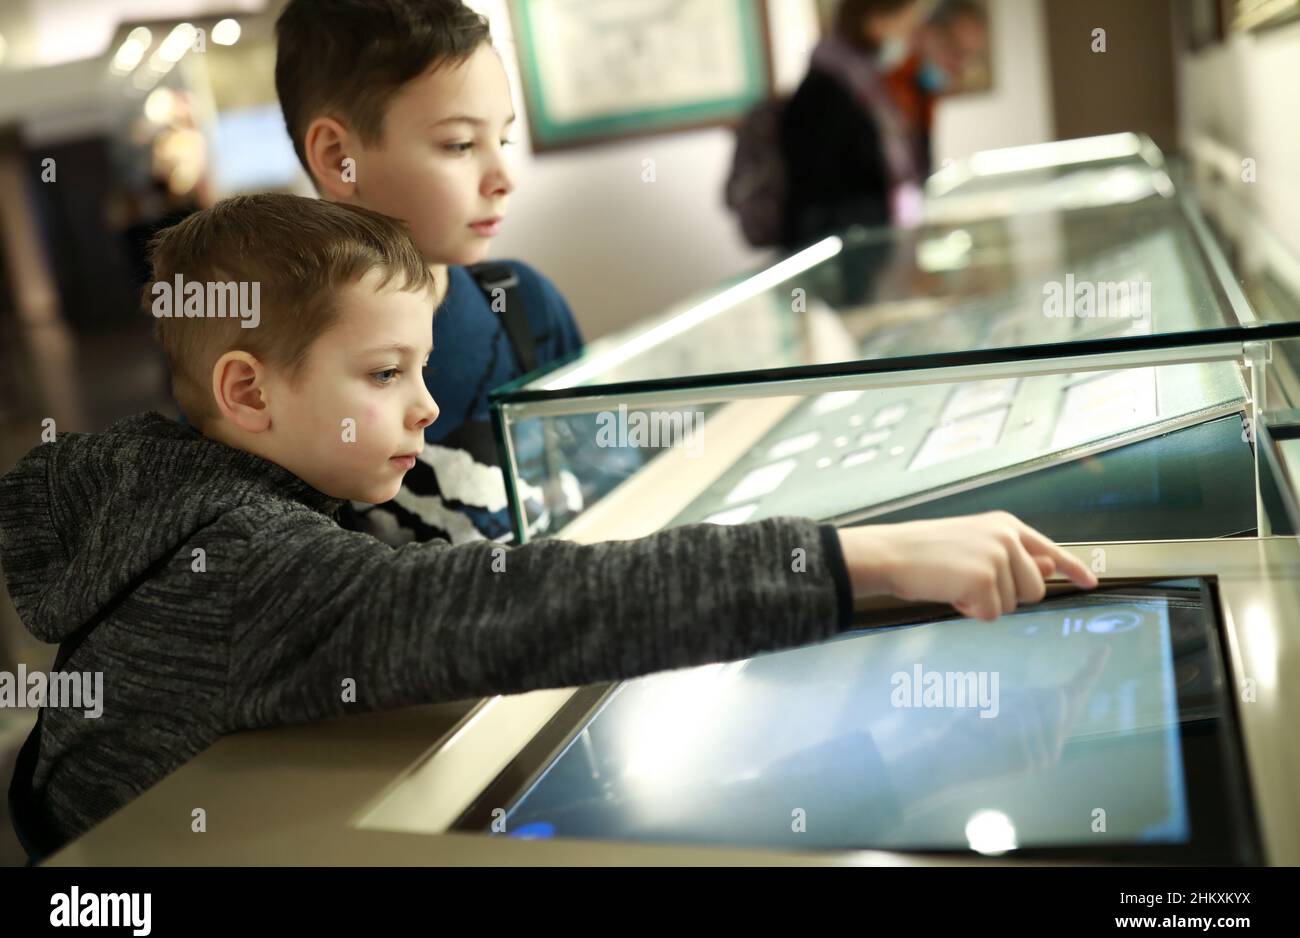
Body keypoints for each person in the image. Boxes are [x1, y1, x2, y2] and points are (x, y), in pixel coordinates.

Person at [0, 193, 1098, 858]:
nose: (425, 407)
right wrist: (857, 558)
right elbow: (518, 606)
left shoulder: (167, 478)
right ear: (248, 393)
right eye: (385, 373)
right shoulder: (239, 565)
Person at [274, 0, 585, 545]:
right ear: (337, 155)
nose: (502, 178)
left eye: (503, 140)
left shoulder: (526, 304)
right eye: (460, 144)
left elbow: (608, 473)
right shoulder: (274, 367)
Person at [780, 0, 926, 250]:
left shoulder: (867, 84)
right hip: (840, 249)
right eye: (905, 27)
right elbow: (819, 192)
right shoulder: (826, 88)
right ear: (874, 21)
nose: (908, 39)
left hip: (866, 240)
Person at [885, 0, 991, 175]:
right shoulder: (892, 86)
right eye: (957, 51)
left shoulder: (924, 92)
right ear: (929, 34)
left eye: (969, 57)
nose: (959, 68)